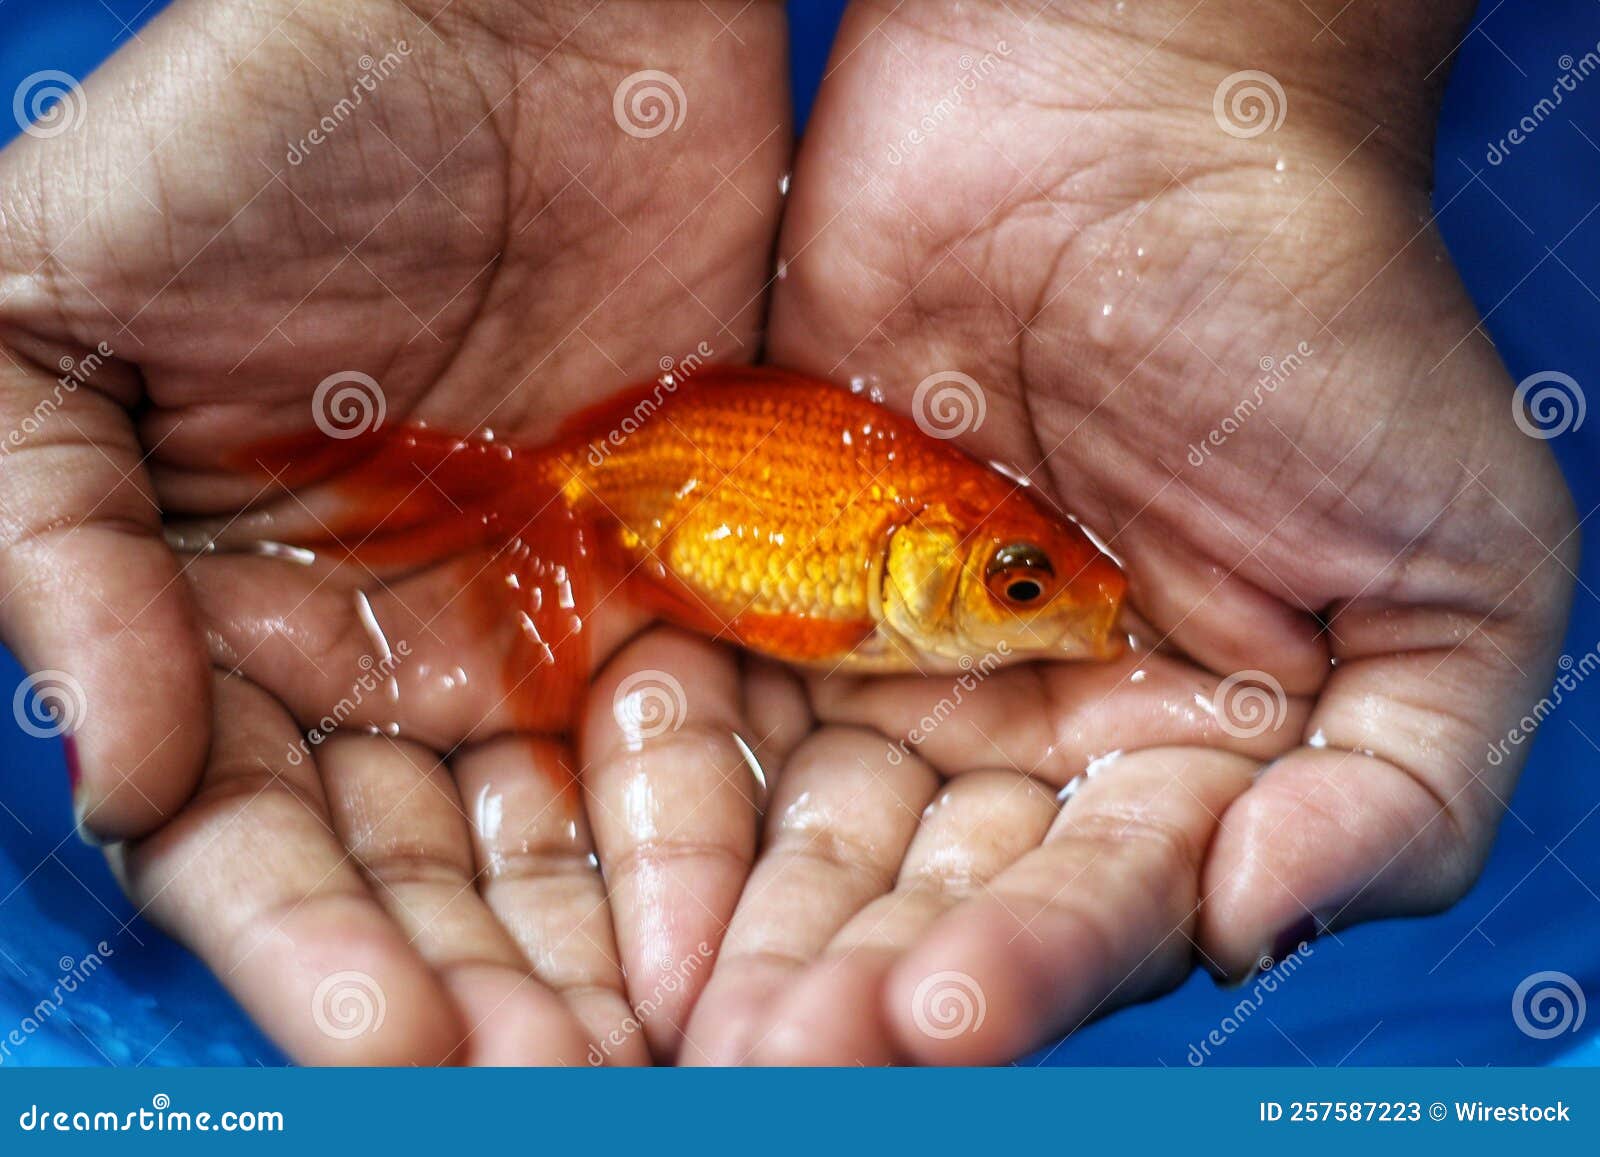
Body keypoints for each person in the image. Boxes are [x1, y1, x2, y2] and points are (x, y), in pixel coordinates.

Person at [0, 0, 1574, 1065]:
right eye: (1018, 584)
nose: (1041, 604)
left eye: (1025, 585)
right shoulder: (822, 588)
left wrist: (1211, 45)